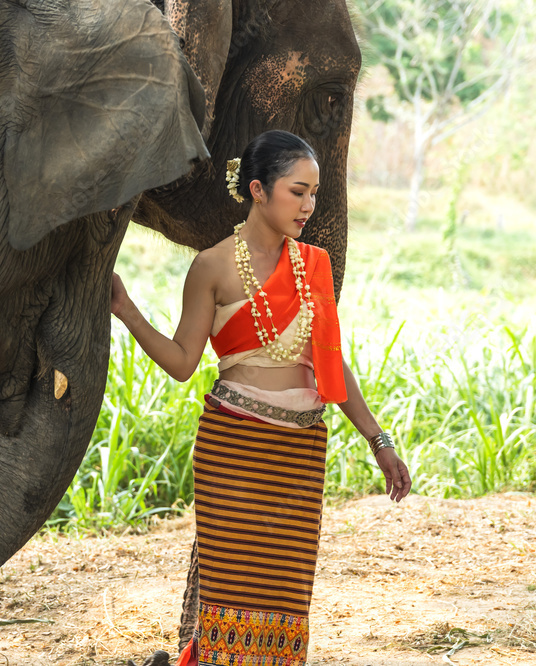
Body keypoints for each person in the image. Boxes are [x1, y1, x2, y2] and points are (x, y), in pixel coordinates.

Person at [110, 130, 412, 666]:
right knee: (232, 602)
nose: (309, 205)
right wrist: (128, 310)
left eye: (314, 193)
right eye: (298, 191)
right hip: (233, 448)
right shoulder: (212, 266)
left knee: (286, 603)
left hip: (299, 454)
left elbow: (329, 362)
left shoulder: (315, 265)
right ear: (257, 189)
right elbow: (183, 363)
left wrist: (378, 439)